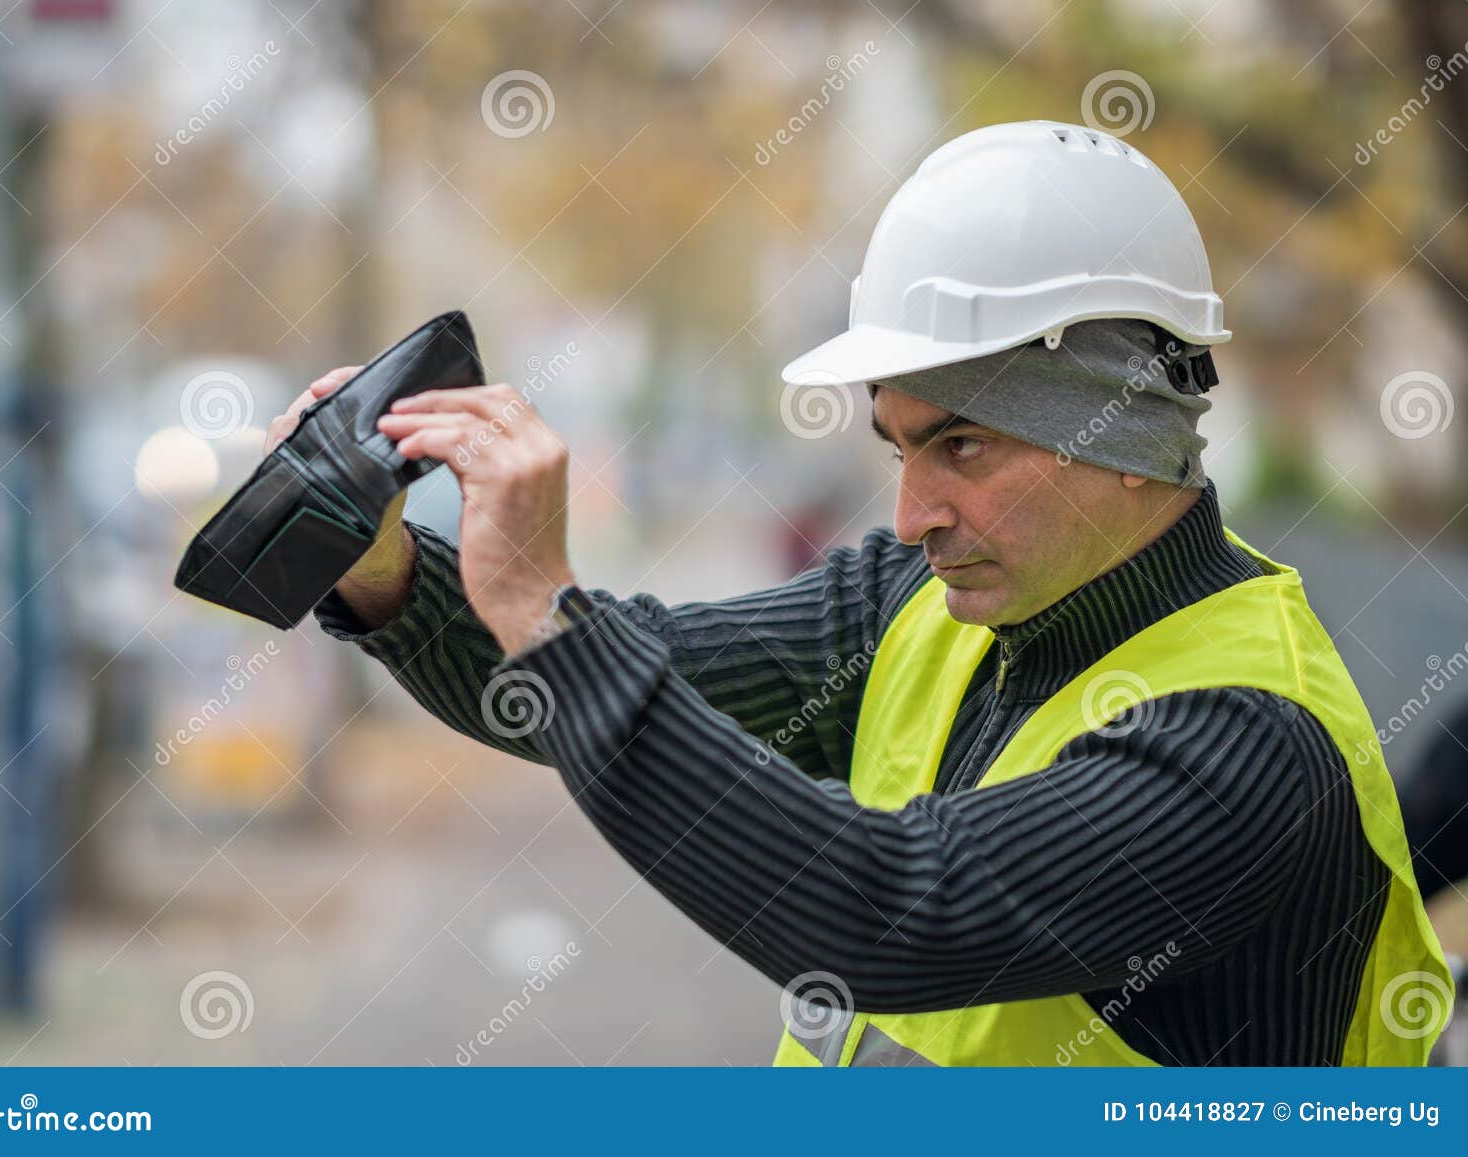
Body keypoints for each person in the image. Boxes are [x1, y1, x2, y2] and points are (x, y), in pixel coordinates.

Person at [266, 120, 1453, 1066]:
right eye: (898, 449)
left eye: (963, 447)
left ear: (1124, 432)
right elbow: (605, 678)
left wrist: (547, 611)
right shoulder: (913, 602)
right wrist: (392, 573)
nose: (910, 512)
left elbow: (893, 911)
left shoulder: (1245, 743)